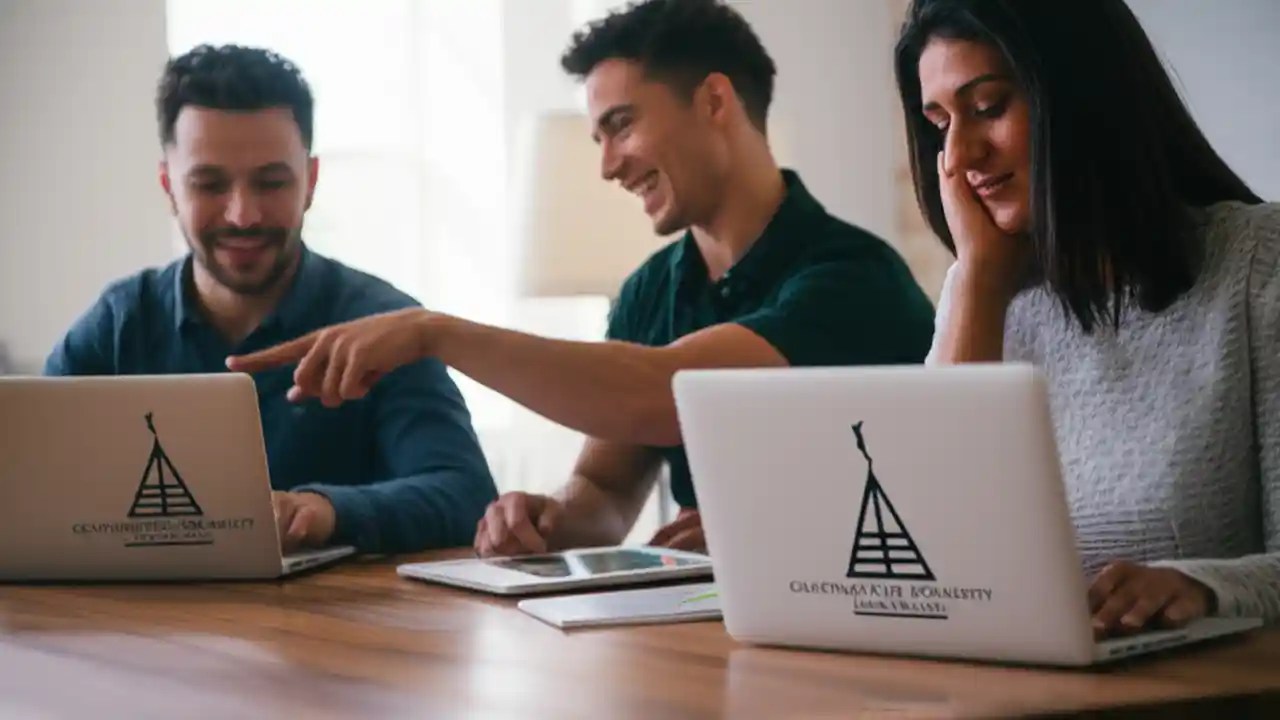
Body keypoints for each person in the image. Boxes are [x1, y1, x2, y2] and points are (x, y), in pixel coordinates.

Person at [228, 0, 935, 557]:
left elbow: (666, 393)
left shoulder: (851, 278)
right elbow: (605, 487)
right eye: (597, 136)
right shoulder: (650, 291)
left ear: (715, 101)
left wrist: (433, 332)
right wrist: (552, 518)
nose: (607, 165)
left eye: (621, 125)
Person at [895, 0, 1280, 635]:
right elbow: (923, 556)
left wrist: (1205, 586)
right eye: (939, 122)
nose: (959, 153)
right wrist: (978, 282)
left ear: (1080, 98)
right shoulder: (982, 292)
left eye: (989, 107)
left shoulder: (1256, 264)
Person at [45, 44, 496, 555]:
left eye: (271, 182)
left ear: (311, 182)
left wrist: (326, 511)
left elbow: (465, 494)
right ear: (169, 187)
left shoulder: (383, 323)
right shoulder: (117, 324)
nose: (243, 215)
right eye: (210, 184)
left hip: (333, 631)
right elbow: (29, 486)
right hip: (145, 627)